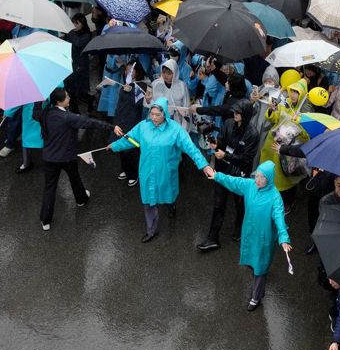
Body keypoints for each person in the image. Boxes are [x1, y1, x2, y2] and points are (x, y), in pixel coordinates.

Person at [110, 97, 210, 242]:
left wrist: (204, 165)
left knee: (168, 194)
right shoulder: (143, 126)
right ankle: (151, 230)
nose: (154, 118)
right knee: (149, 201)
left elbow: (191, 149)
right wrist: (113, 146)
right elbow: (129, 139)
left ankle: (171, 205)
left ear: (165, 114)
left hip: (166, 171)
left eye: (158, 115)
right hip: (146, 171)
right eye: (152, 114)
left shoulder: (176, 130)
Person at [207, 160, 292, 310]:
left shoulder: (275, 197)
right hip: (250, 232)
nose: (258, 180)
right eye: (257, 176)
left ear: (270, 178)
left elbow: (279, 218)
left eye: (262, 178)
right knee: (253, 263)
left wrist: (284, 238)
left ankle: (256, 297)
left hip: (264, 238)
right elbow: (234, 181)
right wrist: (217, 176)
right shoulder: (250, 185)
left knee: (259, 267)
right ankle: (260, 276)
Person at [34, 88, 119, 231]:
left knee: (50, 188)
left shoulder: (45, 113)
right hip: (67, 157)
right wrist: (112, 127)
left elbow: (35, 113)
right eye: (67, 97)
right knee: (74, 178)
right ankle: (81, 199)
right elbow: (90, 122)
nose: (69, 98)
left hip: (49, 158)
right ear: (59, 101)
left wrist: (39, 99)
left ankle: (45, 220)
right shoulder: (68, 117)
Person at [197, 98, 259, 251]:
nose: (234, 114)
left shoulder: (253, 134)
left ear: (246, 114)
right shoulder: (228, 123)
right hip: (223, 171)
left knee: (240, 205)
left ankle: (239, 229)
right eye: (234, 111)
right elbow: (222, 140)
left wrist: (225, 155)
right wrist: (215, 143)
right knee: (218, 204)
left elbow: (246, 159)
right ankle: (212, 238)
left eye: (238, 112)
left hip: (239, 175)